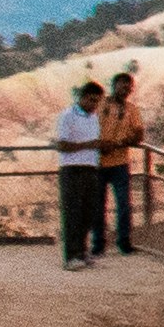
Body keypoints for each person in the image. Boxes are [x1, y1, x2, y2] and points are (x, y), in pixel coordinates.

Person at [94, 67, 150, 257]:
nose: (125, 91)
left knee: (124, 204)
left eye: (128, 88)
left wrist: (122, 142)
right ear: (114, 86)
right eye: (122, 87)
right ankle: (98, 243)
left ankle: (124, 241)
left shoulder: (132, 110)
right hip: (98, 162)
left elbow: (139, 133)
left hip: (120, 162)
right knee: (98, 205)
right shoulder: (100, 105)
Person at [53, 80, 107, 269]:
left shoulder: (93, 117)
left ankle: (82, 251)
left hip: (91, 167)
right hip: (72, 168)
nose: (94, 105)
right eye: (92, 100)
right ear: (82, 97)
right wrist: (87, 145)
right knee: (73, 212)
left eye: (97, 102)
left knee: (88, 212)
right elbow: (61, 145)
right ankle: (71, 256)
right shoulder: (67, 116)